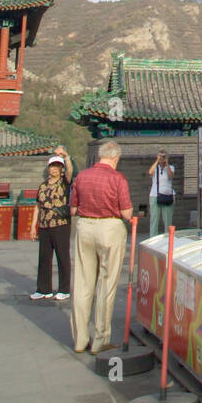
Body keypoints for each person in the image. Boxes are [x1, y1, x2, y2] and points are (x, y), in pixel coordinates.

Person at [69, 140, 132, 354]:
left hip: (84, 226)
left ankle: (80, 338)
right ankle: (100, 338)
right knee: (106, 283)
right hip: (109, 228)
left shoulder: (82, 176)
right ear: (115, 158)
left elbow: (73, 209)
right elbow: (126, 213)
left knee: (82, 283)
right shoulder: (118, 178)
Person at [30, 150, 73, 300]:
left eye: (57, 166)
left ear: (61, 169)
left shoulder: (64, 183)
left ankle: (64, 289)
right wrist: (33, 226)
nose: (54, 169)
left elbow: (70, 172)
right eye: (52, 166)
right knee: (44, 257)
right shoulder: (42, 186)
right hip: (44, 224)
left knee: (62, 256)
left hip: (60, 224)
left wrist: (66, 158)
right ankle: (43, 289)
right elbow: (37, 206)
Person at [148, 150, 175, 237]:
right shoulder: (155, 168)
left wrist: (166, 163)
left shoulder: (171, 167)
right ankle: (152, 238)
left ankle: (168, 239)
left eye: (164, 157)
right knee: (154, 219)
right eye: (161, 157)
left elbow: (171, 176)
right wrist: (157, 160)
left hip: (168, 195)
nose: (162, 159)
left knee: (167, 220)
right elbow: (150, 172)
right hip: (155, 195)